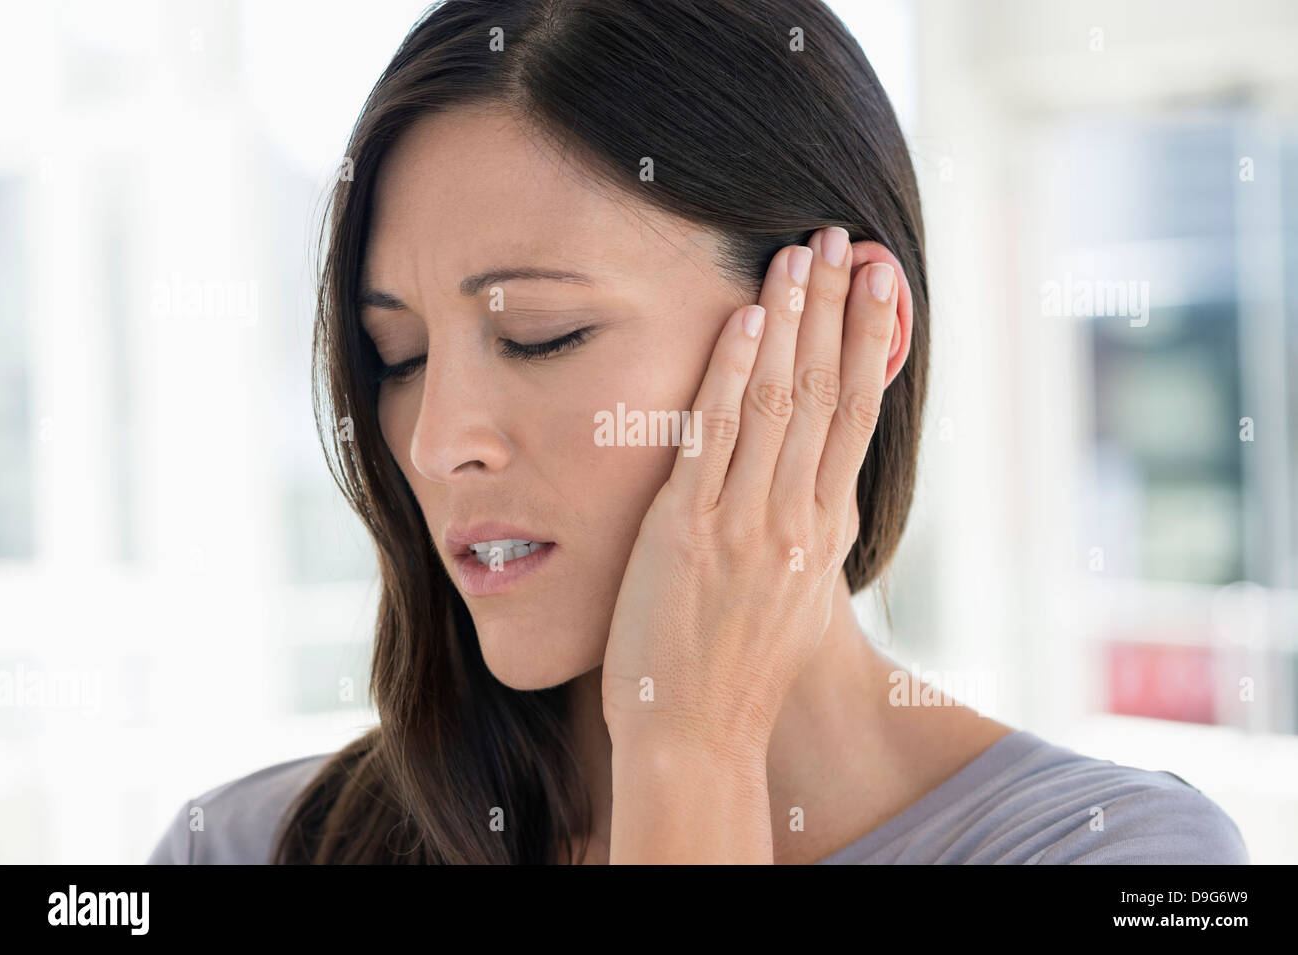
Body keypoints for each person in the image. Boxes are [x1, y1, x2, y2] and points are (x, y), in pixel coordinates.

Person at [147, 0, 1248, 865]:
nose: (436, 441)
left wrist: (689, 755)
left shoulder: (1119, 858)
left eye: (540, 332)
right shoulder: (248, 847)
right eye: (398, 356)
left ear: (845, 334)